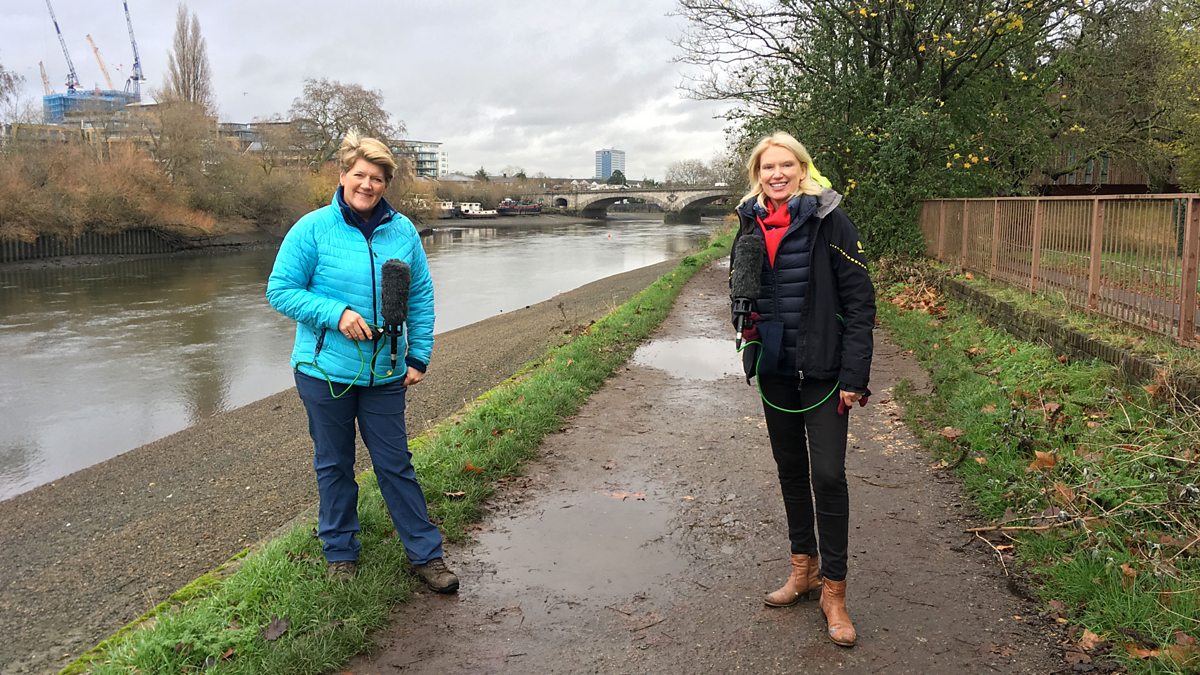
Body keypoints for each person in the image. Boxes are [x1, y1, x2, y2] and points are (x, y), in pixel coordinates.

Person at [266, 132, 458, 593]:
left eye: (376, 178)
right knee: (334, 465)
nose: (367, 185)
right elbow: (280, 290)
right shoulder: (312, 228)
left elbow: (420, 296)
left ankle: (426, 555)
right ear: (343, 175)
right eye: (359, 175)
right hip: (324, 372)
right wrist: (336, 314)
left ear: (385, 184)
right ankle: (341, 553)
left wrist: (419, 355)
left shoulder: (404, 231)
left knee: (395, 464)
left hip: (386, 372)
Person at [730, 131, 875, 646]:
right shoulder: (748, 221)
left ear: (802, 168)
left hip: (824, 371)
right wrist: (748, 335)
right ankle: (803, 569)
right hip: (775, 368)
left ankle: (835, 592)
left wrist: (855, 376)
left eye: (786, 165)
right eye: (767, 167)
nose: (777, 174)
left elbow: (860, 302)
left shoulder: (830, 219)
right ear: (757, 174)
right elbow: (741, 288)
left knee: (829, 476)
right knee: (791, 471)